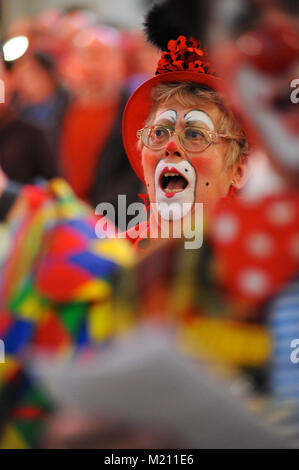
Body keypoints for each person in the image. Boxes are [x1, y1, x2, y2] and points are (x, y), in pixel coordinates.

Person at [121, 33, 249, 250]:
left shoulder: (258, 266)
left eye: (193, 135)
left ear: (239, 170)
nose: (171, 147)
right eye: (159, 133)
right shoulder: (112, 259)